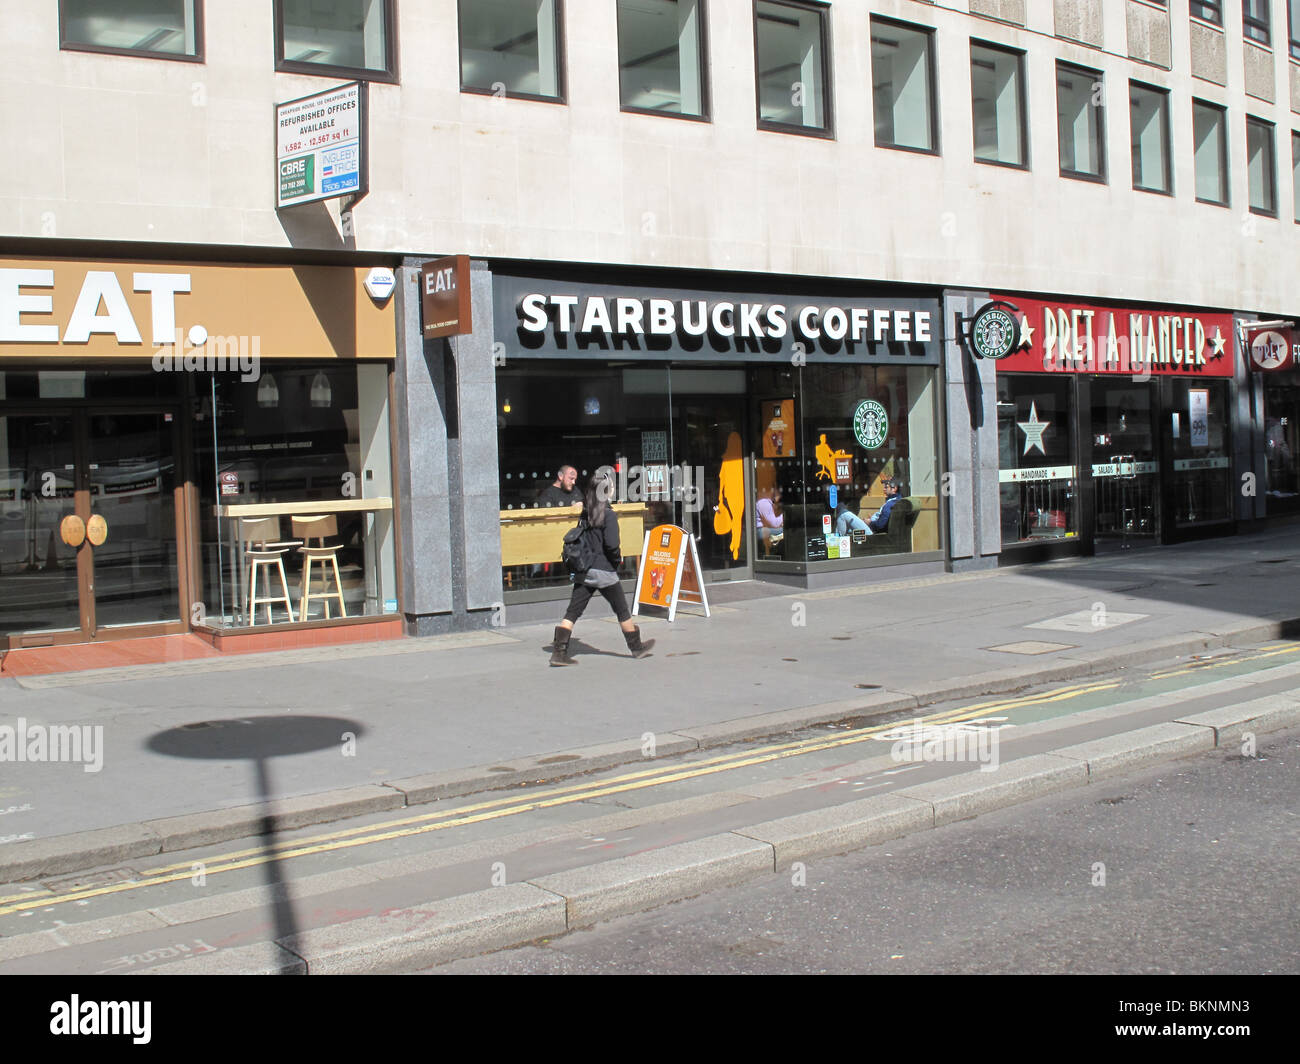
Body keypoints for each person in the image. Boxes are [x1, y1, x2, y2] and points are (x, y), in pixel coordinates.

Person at [550, 466, 654, 666]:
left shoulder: (586, 513)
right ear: (607, 491)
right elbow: (612, 545)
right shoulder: (609, 515)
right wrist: (615, 563)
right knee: (622, 609)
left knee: (573, 611)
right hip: (604, 570)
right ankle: (637, 647)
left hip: (585, 569)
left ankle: (558, 652)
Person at [836, 477, 901, 536]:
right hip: (871, 528)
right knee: (847, 524)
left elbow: (880, 525)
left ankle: (837, 544)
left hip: (872, 533)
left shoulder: (891, 504)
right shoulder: (893, 501)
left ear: (894, 489)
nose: (884, 489)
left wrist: (869, 522)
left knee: (843, 513)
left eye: (886, 487)